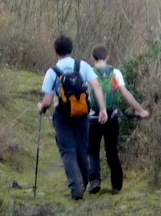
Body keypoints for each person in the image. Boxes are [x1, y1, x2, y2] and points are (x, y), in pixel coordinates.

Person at [38, 35, 108, 199]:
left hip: (62, 115)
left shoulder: (52, 72)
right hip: (82, 113)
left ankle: (76, 187)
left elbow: (47, 101)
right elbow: (96, 86)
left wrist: (41, 108)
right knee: (81, 148)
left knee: (67, 150)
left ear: (56, 51)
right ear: (71, 49)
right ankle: (83, 182)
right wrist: (102, 109)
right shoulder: (82, 66)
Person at [85, 45, 148, 194]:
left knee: (92, 150)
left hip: (93, 118)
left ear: (92, 58)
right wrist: (140, 110)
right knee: (111, 150)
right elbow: (125, 93)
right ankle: (117, 185)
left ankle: (94, 181)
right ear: (107, 57)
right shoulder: (115, 73)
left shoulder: (88, 73)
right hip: (112, 117)